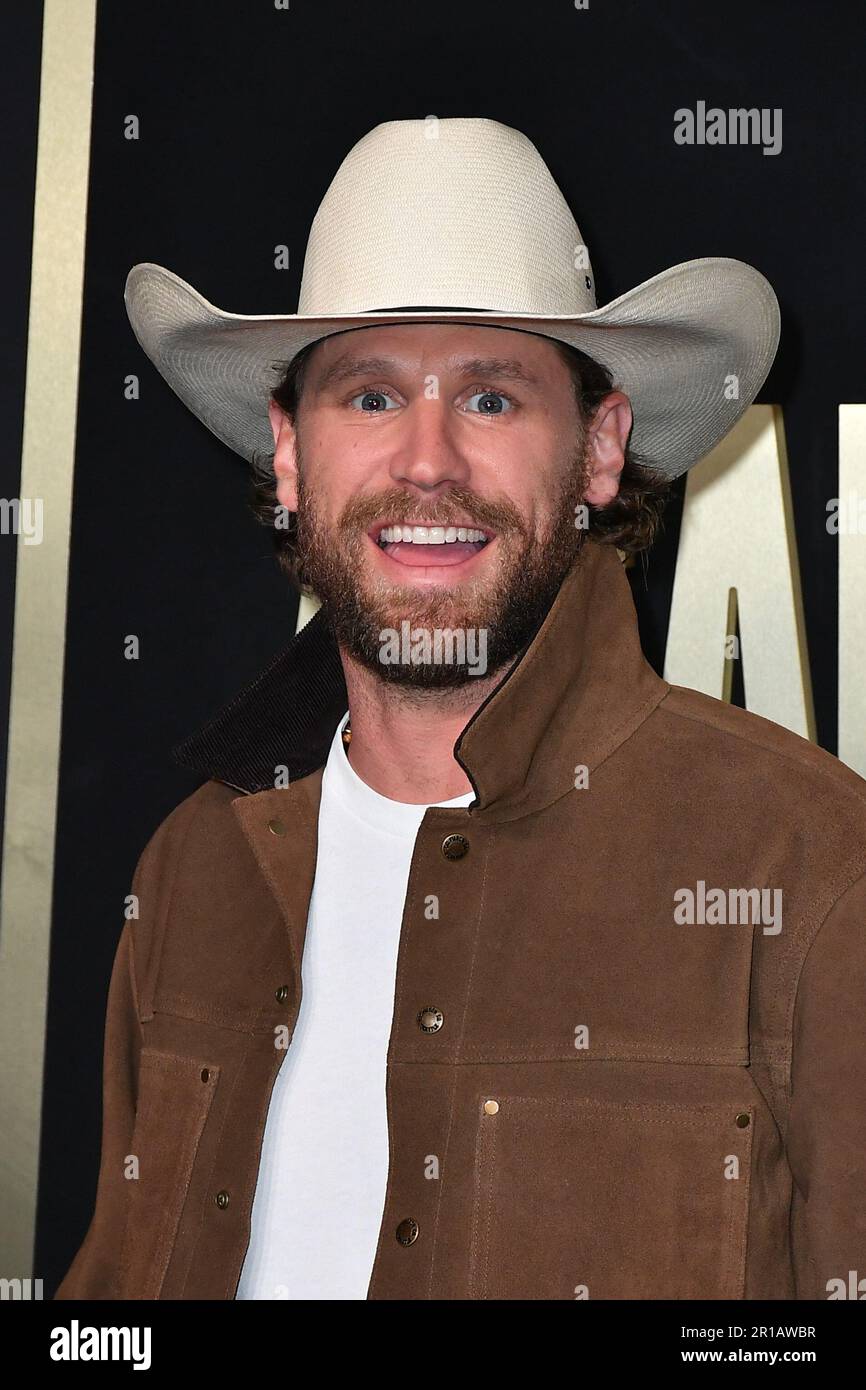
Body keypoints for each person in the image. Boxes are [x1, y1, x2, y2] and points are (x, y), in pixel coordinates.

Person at [55, 117, 865, 1301]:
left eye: (489, 399)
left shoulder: (811, 866)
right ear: (288, 453)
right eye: (370, 396)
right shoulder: (189, 871)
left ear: (596, 450)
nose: (426, 462)